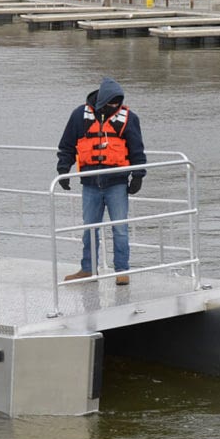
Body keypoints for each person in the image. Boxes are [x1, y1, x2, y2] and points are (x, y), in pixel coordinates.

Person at [56, 77, 145, 286]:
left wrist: (138, 175)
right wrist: (63, 168)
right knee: (90, 228)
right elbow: (67, 145)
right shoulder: (79, 116)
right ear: (102, 100)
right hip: (90, 185)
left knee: (120, 228)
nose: (115, 106)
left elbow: (137, 151)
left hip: (117, 184)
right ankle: (88, 269)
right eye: (112, 102)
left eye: (118, 102)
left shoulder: (129, 119)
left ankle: (122, 270)